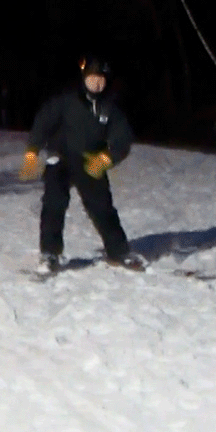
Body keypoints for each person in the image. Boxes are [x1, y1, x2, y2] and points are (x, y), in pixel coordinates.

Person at [20, 55, 145, 274]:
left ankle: (118, 252)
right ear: (84, 78)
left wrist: (107, 158)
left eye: (101, 79)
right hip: (60, 158)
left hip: (90, 162)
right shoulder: (66, 101)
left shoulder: (109, 108)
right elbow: (43, 121)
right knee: (54, 204)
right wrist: (33, 150)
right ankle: (50, 254)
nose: (97, 82)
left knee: (102, 207)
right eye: (92, 77)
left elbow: (123, 139)